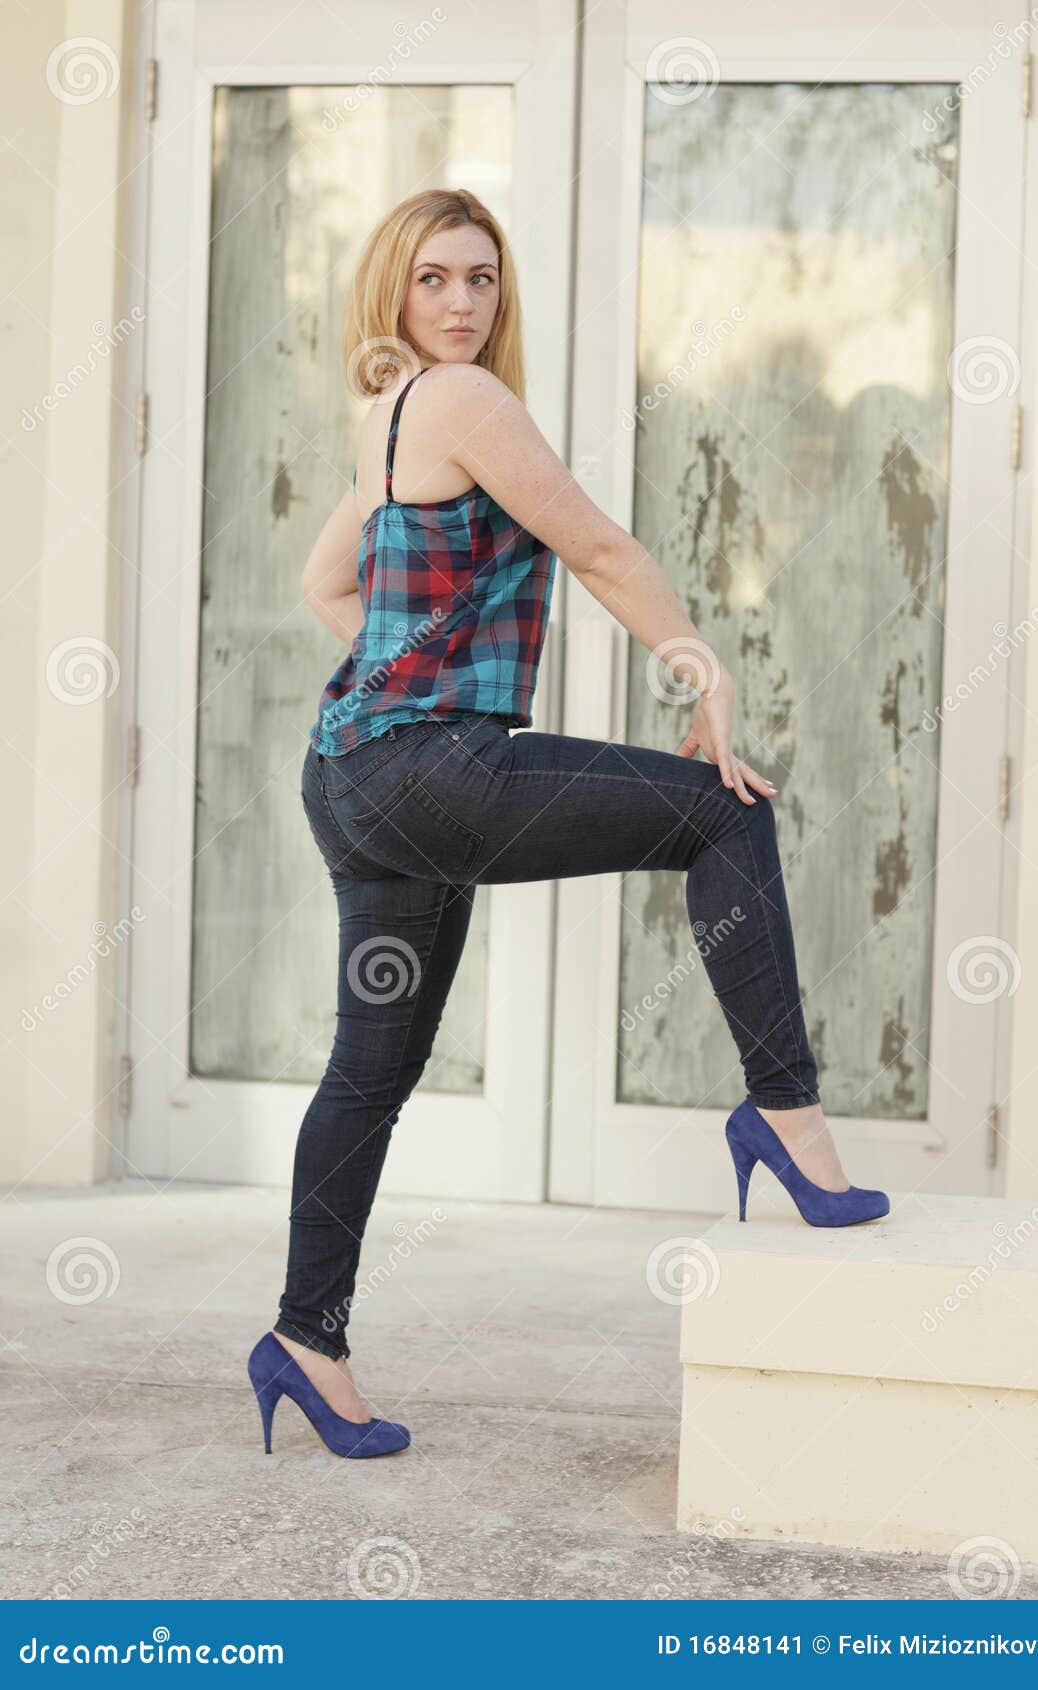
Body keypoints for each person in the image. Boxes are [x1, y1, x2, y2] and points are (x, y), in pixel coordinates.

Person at [247, 187, 888, 1461]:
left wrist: (401, 675)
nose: (462, 304)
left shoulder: (387, 413)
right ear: (393, 289)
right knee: (719, 810)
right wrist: (704, 679)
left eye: (481, 279)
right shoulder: (466, 403)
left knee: (367, 1074)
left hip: (354, 777)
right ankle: (787, 1120)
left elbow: (327, 583)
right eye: (432, 279)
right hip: (426, 772)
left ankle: (305, 1342)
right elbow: (595, 547)